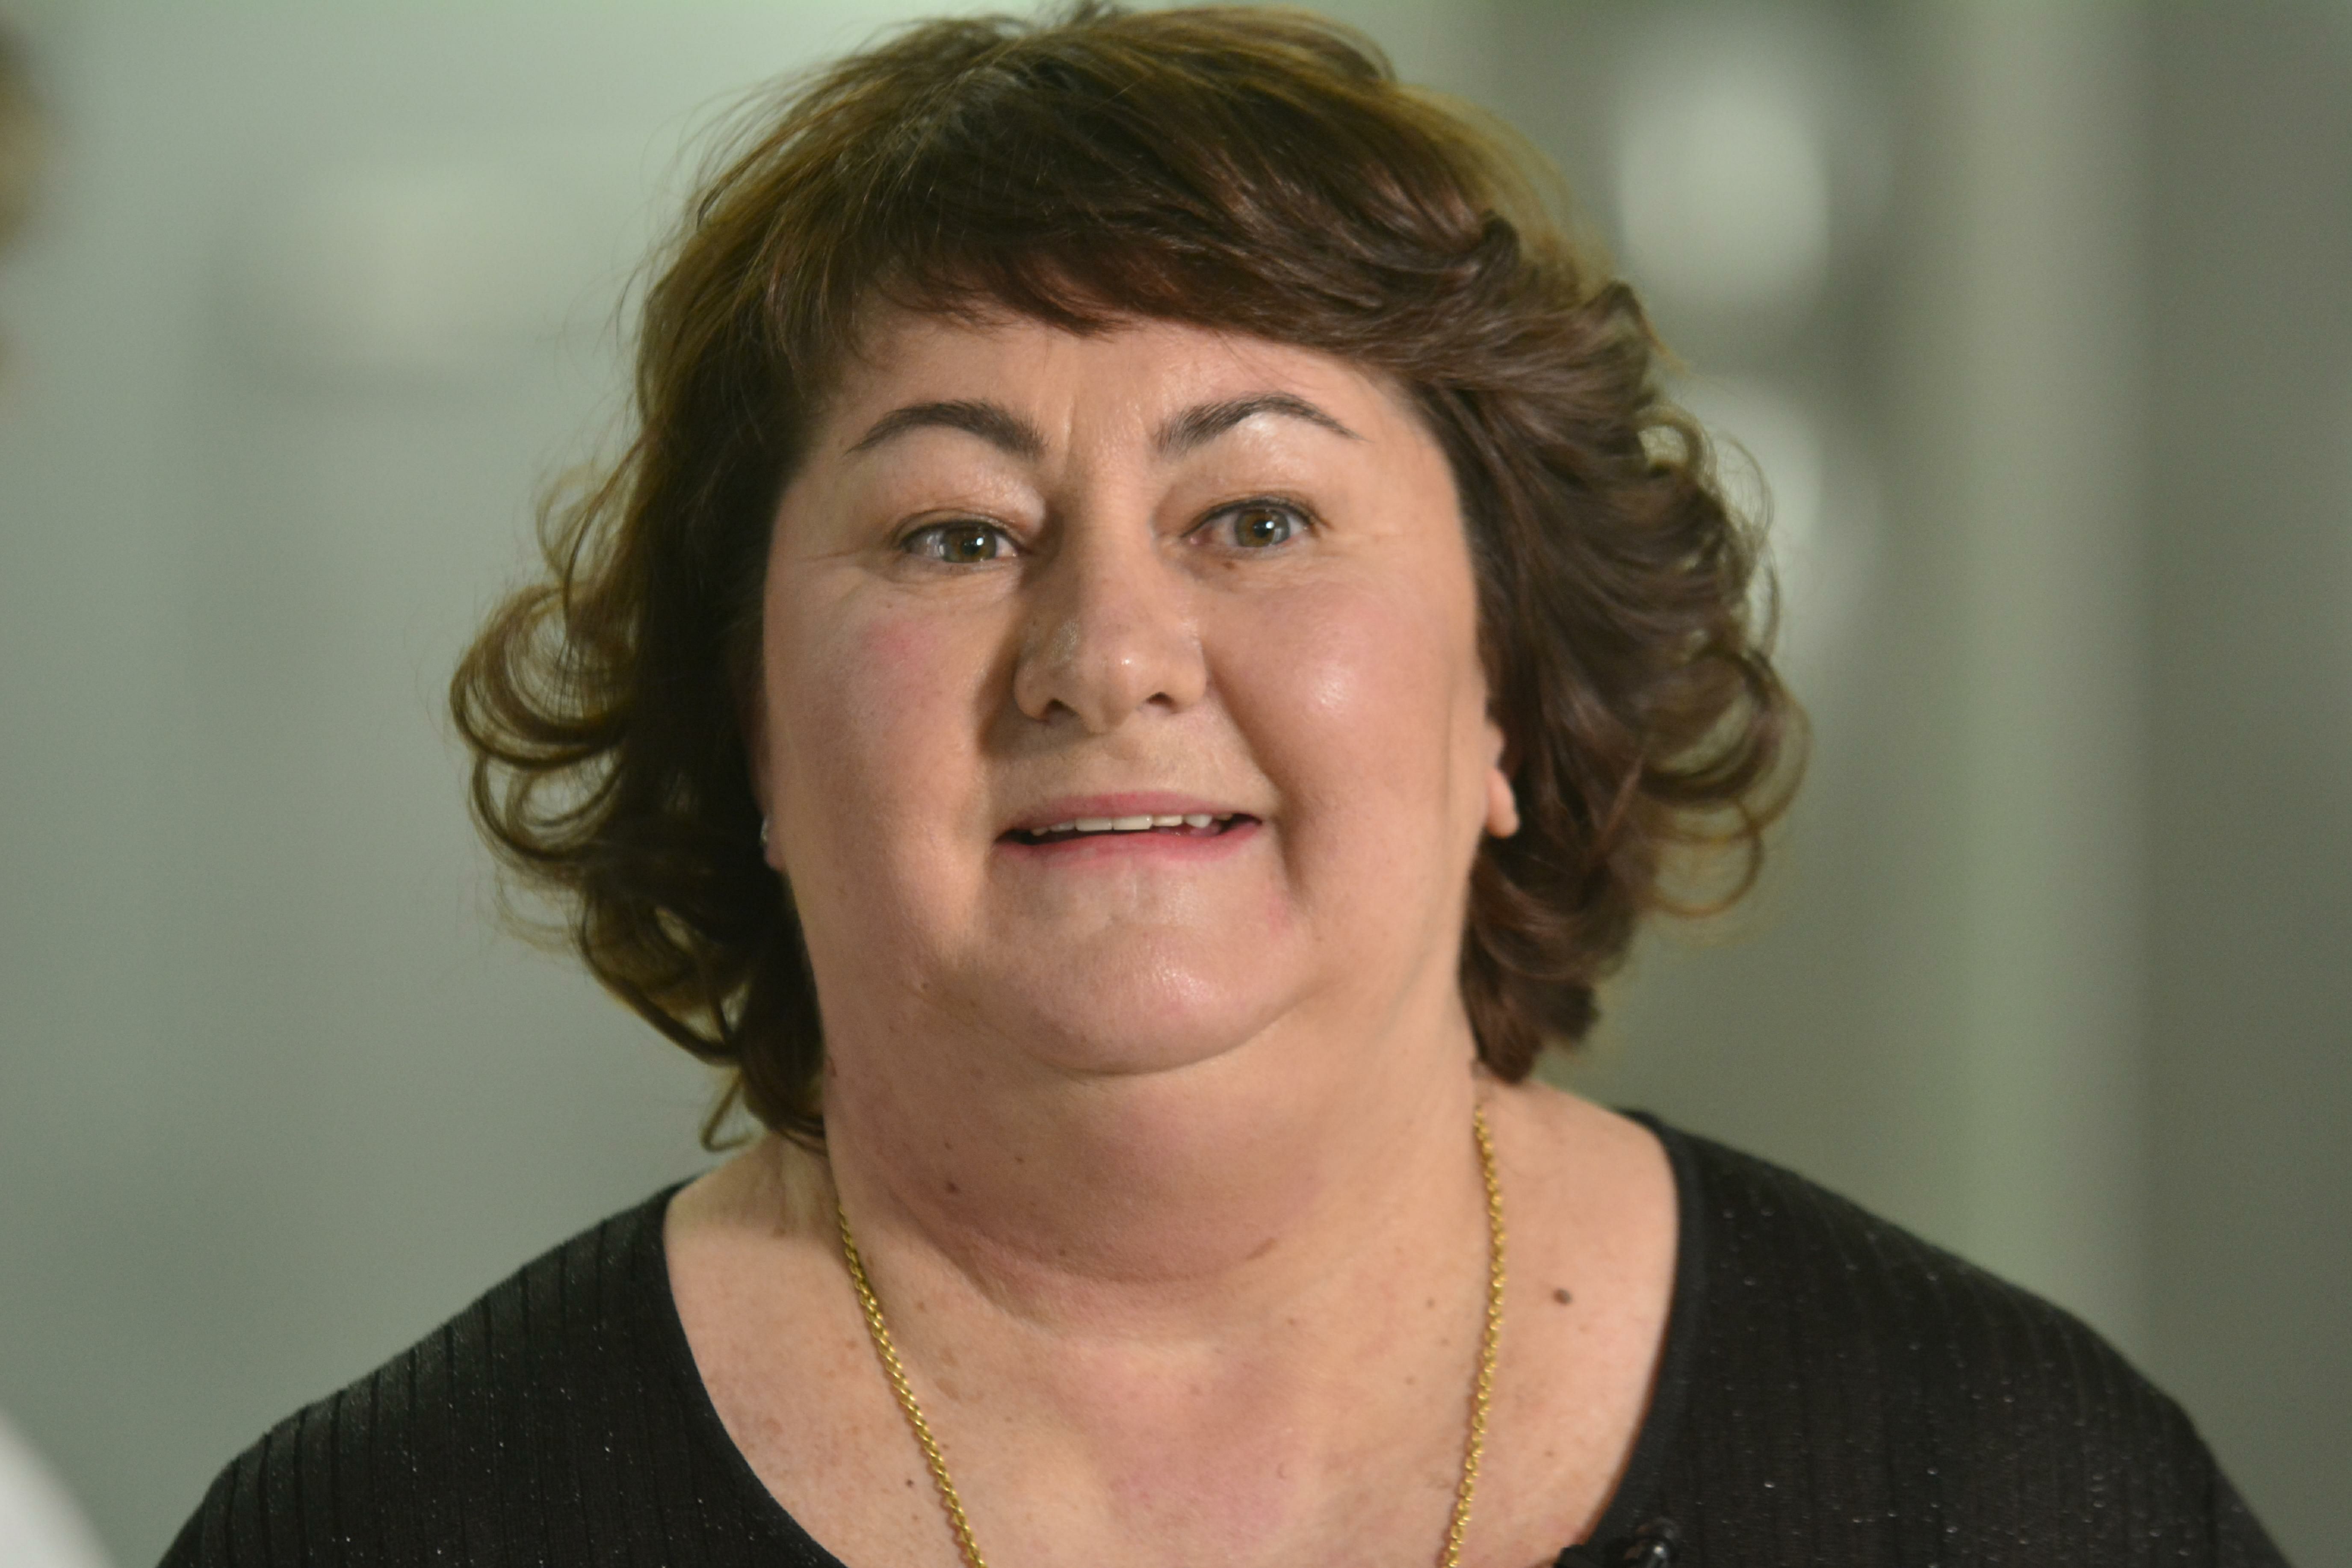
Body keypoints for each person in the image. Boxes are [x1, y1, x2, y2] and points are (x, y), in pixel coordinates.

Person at [162, 6, 2286, 1565]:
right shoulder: (389, 1525)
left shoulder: (2012, 1482)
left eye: (1257, 516)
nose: (1106, 652)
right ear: (752, 732)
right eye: (955, 532)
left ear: (1504, 689)